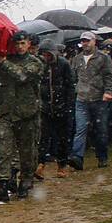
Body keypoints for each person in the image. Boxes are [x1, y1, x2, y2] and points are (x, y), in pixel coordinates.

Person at [0, 29, 45, 201]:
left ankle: (26, 180)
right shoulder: (6, 61)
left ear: (29, 44)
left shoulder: (35, 62)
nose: (20, 47)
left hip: (27, 113)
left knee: (27, 151)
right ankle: (3, 184)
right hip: (7, 111)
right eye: (17, 43)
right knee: (4, 149)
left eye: (23, 43)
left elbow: (22, 76)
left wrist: (4, 62)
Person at [69, 31, 112, 170]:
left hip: (99, 98)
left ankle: (102, 157)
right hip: (81, 98)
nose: (85, 43)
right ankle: (77, 157)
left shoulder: (103, 58)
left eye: (87, 41)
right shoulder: (77, 59)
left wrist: (108, 92)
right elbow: (73, 77)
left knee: (100, 130)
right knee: (81, 129)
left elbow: (110, 76)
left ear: (94, 41)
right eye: (83, 41)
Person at [38, 43, 74, 177]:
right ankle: (40, 164)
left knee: (62, 138)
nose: (46, 57)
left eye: (48, 54)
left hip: (61, 107)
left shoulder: (63, 64)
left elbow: (70, 85)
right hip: (46, 107)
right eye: (44, 54)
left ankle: (62, 165)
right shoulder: (41, 65)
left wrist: (68, 106)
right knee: (43, 137)